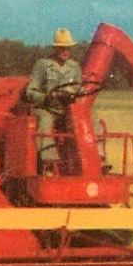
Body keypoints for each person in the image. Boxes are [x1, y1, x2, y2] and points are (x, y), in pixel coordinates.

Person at [25, 28, 83, 172]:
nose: (66, 51)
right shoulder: (43, 65)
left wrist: (75, 94)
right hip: (47, 108)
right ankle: (49, 164)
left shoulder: (74, 67)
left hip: (68, 110)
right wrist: (49, 97)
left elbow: (79, 89)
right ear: (55, 48)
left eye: (68, 48)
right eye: (62, 48)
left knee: (91, 119)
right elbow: (30, 92)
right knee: (44, 121)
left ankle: (99, 160)